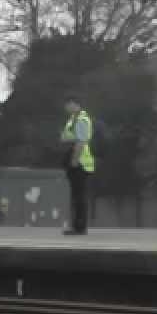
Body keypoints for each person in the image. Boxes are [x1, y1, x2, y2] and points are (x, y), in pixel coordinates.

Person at [60, 95, 95, 236]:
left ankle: (80, 227)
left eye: (68, 104)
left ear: (75, 104)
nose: (66, 108)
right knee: (75, 195)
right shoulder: (72, 120)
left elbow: (80, 142)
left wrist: (74, 160)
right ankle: (76, 225)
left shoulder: (81, 120)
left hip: (80, 163)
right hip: (75, 161)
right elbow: (63, 137)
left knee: (79, 196)